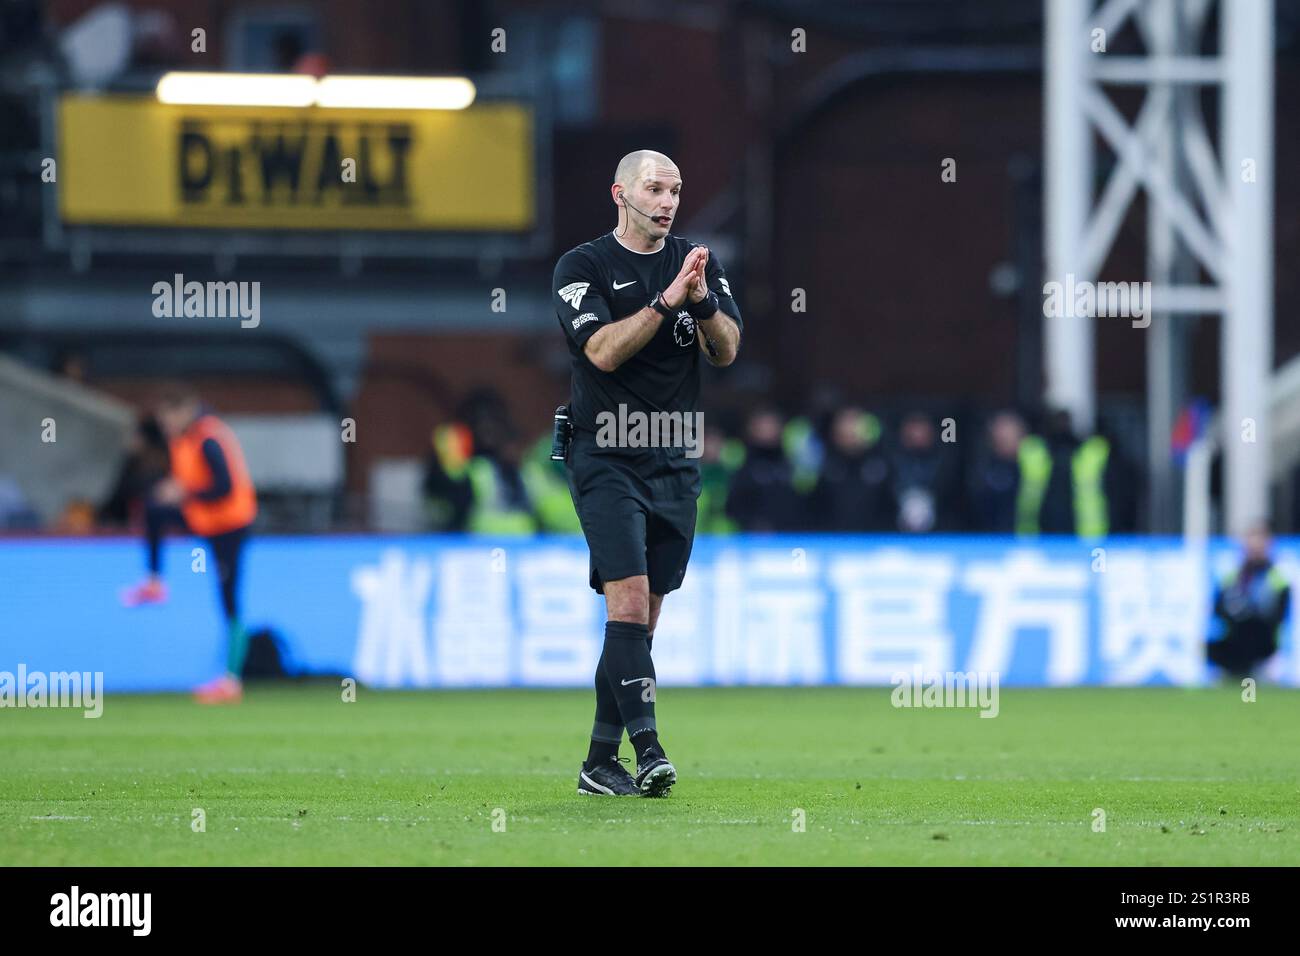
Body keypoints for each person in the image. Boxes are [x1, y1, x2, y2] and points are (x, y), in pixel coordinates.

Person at [553, 149, 742, 797]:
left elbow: (727, 351)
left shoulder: (696, 263)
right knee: (627, 601)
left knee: (641, 624)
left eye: (676, 190)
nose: (667, 201)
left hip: (674, 459)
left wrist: (703, 304)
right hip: (605, 454)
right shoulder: (582, 267)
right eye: (655, 188)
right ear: (620, 193)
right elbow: (601, 351)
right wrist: (666, 302)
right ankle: (650, 749)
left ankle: (598, 762)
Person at [120, 388, 257, 704]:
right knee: (153, 509)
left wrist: (185, 492)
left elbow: (224, 487)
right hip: (204, 519)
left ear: (185, 411)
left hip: (230, 525)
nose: (166, 426)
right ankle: (154, 582)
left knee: (229, 599)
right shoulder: (182, 436)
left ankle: (231, 681)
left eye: (169, 419)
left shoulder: (209, 438)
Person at [1208, 522, 1291, 680]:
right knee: (1230, 696)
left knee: (1253, 696)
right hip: (1234, 646)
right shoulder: (1232, 577)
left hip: (1264, 649)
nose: (1254, 549)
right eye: (1250, 543)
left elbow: (1279, 615)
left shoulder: (1277, 578)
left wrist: (1249, 614)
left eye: (1259, 543)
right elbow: (1217, 608)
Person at [809, 406, 893, 531]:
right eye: (845, 424)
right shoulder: (824, 467)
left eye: (855, 424)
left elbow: (890, 511)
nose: (850, 430)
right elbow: (813, 511)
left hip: (874, 543)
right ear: (835, 432)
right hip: (832, 543)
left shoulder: (882, 466)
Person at [725, 407, 803, 532]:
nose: (768, 429)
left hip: (790, 537)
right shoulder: (740, 461)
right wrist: (753, 525)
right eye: (763, 425)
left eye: (772, 424)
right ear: (751, 428)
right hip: (751, 539)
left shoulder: (789, 463)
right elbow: (733, 505)